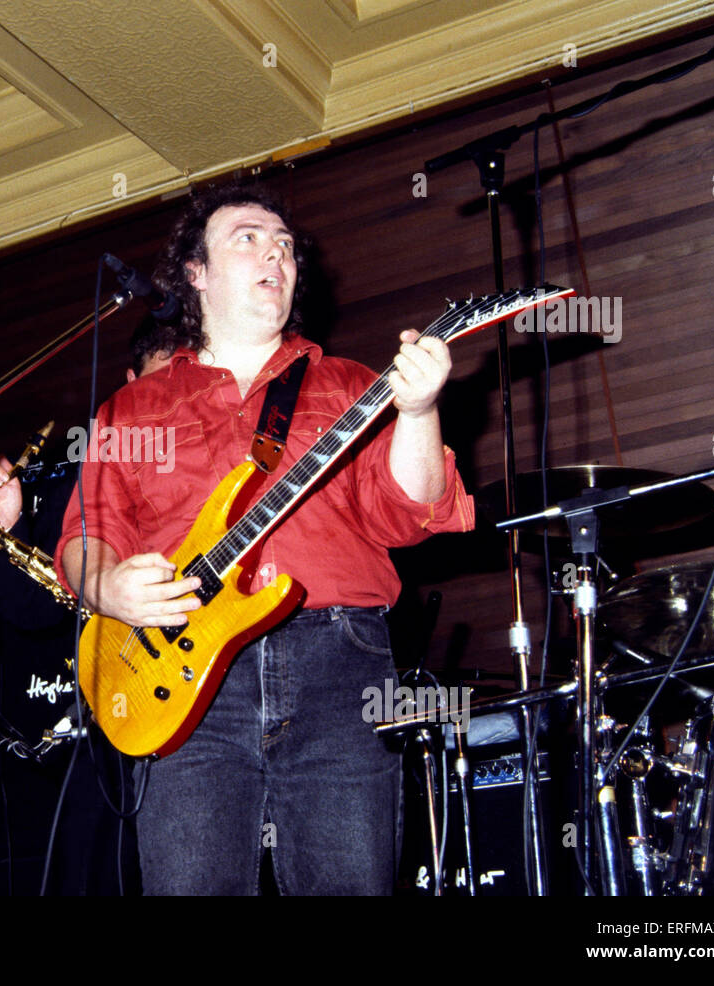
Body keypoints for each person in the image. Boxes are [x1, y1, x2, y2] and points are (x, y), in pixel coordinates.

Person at [53, 184, 475, 895]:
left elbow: (409, 513)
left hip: (340, 662)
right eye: (248, 238)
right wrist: (105, 587)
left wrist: (422, 411)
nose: (274, 253)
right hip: (181, 679)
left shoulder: (347, 386)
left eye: (284, 244)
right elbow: (85, 538)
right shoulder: (132, 407)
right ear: (195, 272)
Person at [0, 326, 172, 895]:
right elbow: (31, 611)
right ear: (127, 389)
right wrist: (6, 528)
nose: (169, 404)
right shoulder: (86, 483)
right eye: (157, 385)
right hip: (105, 732)